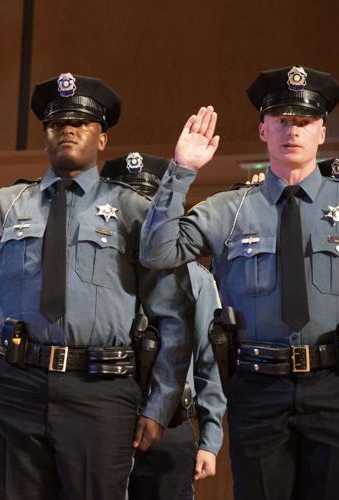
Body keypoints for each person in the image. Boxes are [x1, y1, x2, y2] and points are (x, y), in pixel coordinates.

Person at [0, 72, 191, 500]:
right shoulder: (6, 204)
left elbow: (174, 314)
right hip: (17, 385)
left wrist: (160, 402)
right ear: (45, 138)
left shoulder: (133, 210)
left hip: (100, 392)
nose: (67, 130)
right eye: (57, 124)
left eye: (81, 123)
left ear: (102, 139)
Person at [139, 65, 339, 499]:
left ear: (321, 132)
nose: (291, 131)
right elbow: (156, 252)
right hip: (258, 388)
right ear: (263, 130)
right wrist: (181, 170)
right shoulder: (230, 208)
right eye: (281, 121)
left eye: (303, 122)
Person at [101, 152, 226, 499]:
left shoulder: (196, 279)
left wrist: (210, 438)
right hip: (103, 420)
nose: (141, 213)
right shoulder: (100, 273)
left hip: (171, 425)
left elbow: (208, 362)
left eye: (149, 202)